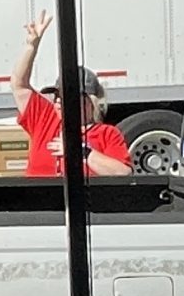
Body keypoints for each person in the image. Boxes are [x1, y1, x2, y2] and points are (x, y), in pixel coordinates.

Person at [10, 12, 131, 177]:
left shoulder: (107, 134)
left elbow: (123, 173)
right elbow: (19, 84)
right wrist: (31, 47)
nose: (59, 102)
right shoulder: (45, 118)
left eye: (67, 98)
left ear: (89, 102)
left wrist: (81, 151)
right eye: (57, 96)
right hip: (41, 193)